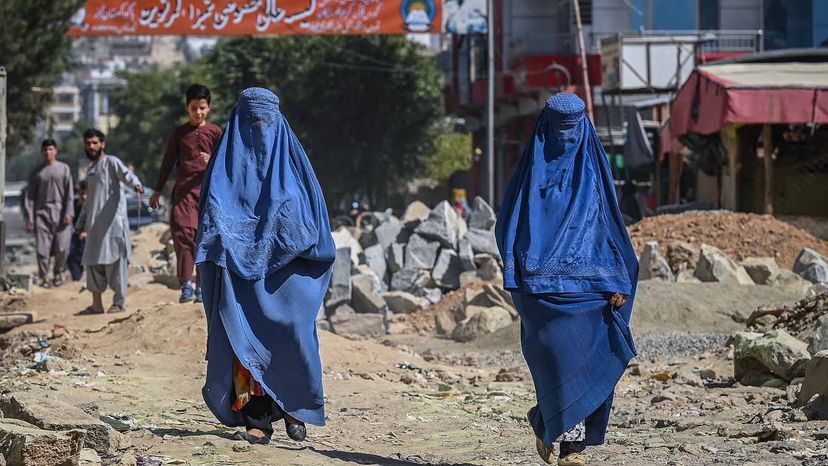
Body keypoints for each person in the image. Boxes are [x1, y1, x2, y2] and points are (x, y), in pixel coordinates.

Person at [495, 93, 638, 466]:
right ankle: (553, 426)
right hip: (539, 290)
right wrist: (518, 272)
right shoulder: (531, 176)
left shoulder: (593, 173)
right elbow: (507, 228)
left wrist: (618, 280)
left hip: (589, 289)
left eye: (572, 127)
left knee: (587, 360)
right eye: (560, 127)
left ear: (584, 127)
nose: (566, 136)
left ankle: (568, 445)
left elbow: (612, 230)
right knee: (556, 362)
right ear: (546, 128)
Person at [197, 88, 334, 445]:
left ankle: (295, 409)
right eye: (252, 122)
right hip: (241, 277)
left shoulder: (293, 162)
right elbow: (212, 214)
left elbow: (314, 221)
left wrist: (282, 229)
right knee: (246, 345)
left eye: (266, 121)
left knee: (295, 335)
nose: (260, 130)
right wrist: (230, 238)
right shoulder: (223, 166)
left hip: (288, 275)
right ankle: (258, 420)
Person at [150, 84, 222, 304]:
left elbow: (228, 164)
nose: (198, 112)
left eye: (202, 108)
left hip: (208, 193)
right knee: (182, 237)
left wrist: (212, 160)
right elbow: (168, 163)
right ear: (186, 108)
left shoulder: (216, 132)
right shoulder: (179, 134)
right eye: (193, 108)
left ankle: (202, 287)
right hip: (183, 194)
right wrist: (158, 189)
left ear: (208, 107)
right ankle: (186, 284)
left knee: (204, 238)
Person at [76, 129, 144, 314]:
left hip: (114, 225)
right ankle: (96, 304)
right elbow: (88, 202)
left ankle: (118, 303)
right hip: (94, 227)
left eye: (95, 143)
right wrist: (80, 224)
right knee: (93, 263)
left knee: (117, 263)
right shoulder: (90, 170)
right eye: (88, 143)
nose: (91, 146)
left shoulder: (111, 162)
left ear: (102, 144)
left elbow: (127, 175)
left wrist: (136, 184)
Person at [24, 139, 74, 288]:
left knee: (62, 247)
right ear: (42, 152)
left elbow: (69, 193)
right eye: (45, 150)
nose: (48, 152)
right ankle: (44, 277)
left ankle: (58, 273)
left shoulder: (64, 169)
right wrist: (30, 216)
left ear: (56, 151)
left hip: (61, 213)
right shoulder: (36, 172)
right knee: (42, 249)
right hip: (41, 213)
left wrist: (68, 212)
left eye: (51, 149)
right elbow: (30, 196)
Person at [67, 181, 87, 281]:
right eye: (82, 193)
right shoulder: (75, 205)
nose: (84, 196)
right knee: (72, 255)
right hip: (76, 235)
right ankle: (76, 279)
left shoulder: (93, 206)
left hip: (91, 236)